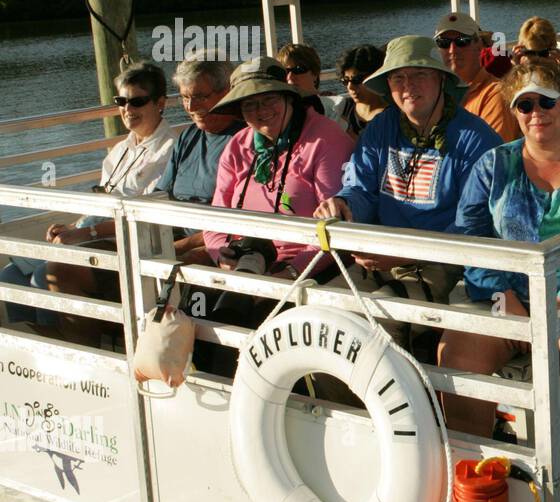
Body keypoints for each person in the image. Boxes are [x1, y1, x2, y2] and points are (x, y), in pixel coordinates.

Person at [440, 59, 560, 435]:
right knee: (457, 355)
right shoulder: (493, 165)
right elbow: (471, 237)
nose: (536, 113)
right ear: (514, 111)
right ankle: (475, 472)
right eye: (524, 105)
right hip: (506, 295)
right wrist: (502, 296)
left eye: (546, 102)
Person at [315, 35, 501, 371]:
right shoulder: (381, 128)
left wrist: (402, 253)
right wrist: (343, 204)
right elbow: (361, 188)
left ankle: (415, 414)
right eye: (398, 77)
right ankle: (341, 412)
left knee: (387, 315)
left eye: (419, 75)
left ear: (441, 80)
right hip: (382, 257)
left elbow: (473, 226)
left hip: (445, 263)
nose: (407, 86)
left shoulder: (476, 139)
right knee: (325, 312)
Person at [26, 63, 178, 342]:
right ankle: (39, 348)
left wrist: (85, 233)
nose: (127, 108)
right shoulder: (121, 149)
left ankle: (80, 348)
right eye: (121, 100)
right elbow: (103, 199)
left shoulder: (169, 150)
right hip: (98, 233)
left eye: (137, 101)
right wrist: (72, 226)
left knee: (41, 276)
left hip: (127, 243)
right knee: (12, 273)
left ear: (160, 103)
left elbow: (144, 219)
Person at [202, 57, 353, 281]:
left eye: (269, 98)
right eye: (249, 104)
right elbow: (216, 216)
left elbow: (336, 225)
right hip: (246, 263)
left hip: (312, 266)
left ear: (289, 98)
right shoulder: (237, 145)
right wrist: (222, 255)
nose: (261, 110)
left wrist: (291, 272)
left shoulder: (325, 139)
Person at [155, 52, 241, 263]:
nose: (191, 107)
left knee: (181, 262)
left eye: (200, 96)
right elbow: (159, 197)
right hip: (175, 236)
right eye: (185, 97)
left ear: (227, 92)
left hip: (220, 241)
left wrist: (179, 246)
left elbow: (240, 220)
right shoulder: (188, 136)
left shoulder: (245, 140)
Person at [433, 12, 518, 141]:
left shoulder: (496, 95)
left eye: (462, 41)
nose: (452, 50)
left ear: (479, 46)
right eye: (443, 43)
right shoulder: (435, 91)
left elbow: (491, 155)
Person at [276, 42, 348, 131]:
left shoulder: (336, 107)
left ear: (314, 73)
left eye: (298, 70)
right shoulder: (276, 111)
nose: (290, 77)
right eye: (285, 71)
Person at [510, 16, 560, 89]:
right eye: (532, 53)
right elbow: (510, 94)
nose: (538, 59)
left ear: (553, 49)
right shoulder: (518, 67)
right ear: (522, 50)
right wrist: (515, 69)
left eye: (542, 53)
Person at [336, 44, 389, 138]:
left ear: (376, 76)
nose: (350, 87)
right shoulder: (342, 108)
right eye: (345, 81)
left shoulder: (391, 117)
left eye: (357, 80)